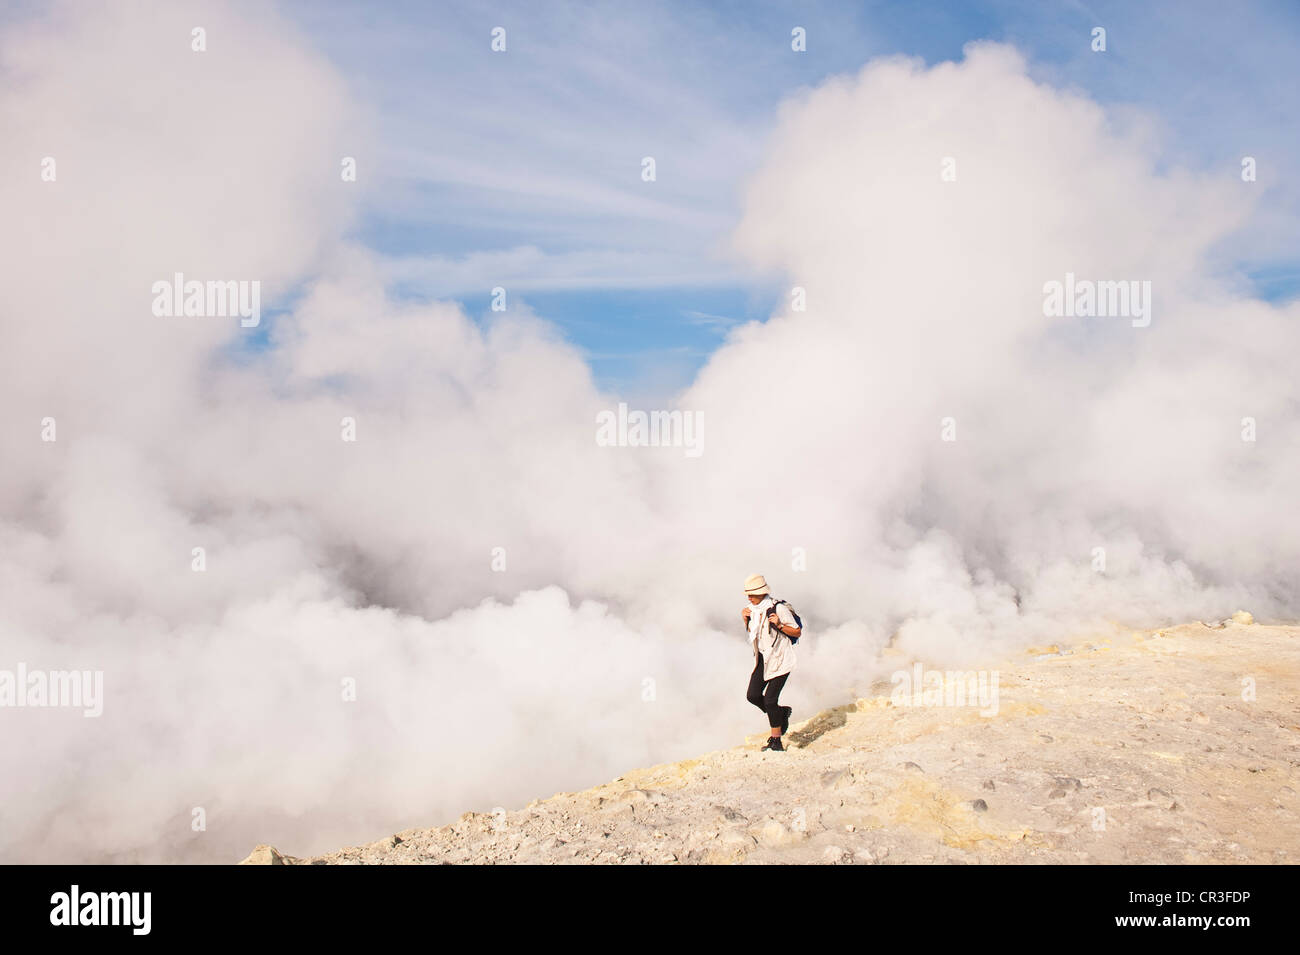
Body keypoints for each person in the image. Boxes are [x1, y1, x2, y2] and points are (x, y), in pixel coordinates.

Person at [741, 573, 800, 751]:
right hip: (763, 659)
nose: (749, 597)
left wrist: (780, 625)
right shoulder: (752, 610)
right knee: (752, 695)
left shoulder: (778, 609)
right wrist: (745, 620)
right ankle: (781, 713)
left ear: (762, 593)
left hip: (781, 659)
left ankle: (776, 741)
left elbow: (796, 632)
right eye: (748, 594)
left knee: (770, 701)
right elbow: (755, 634)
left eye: (752, 594)